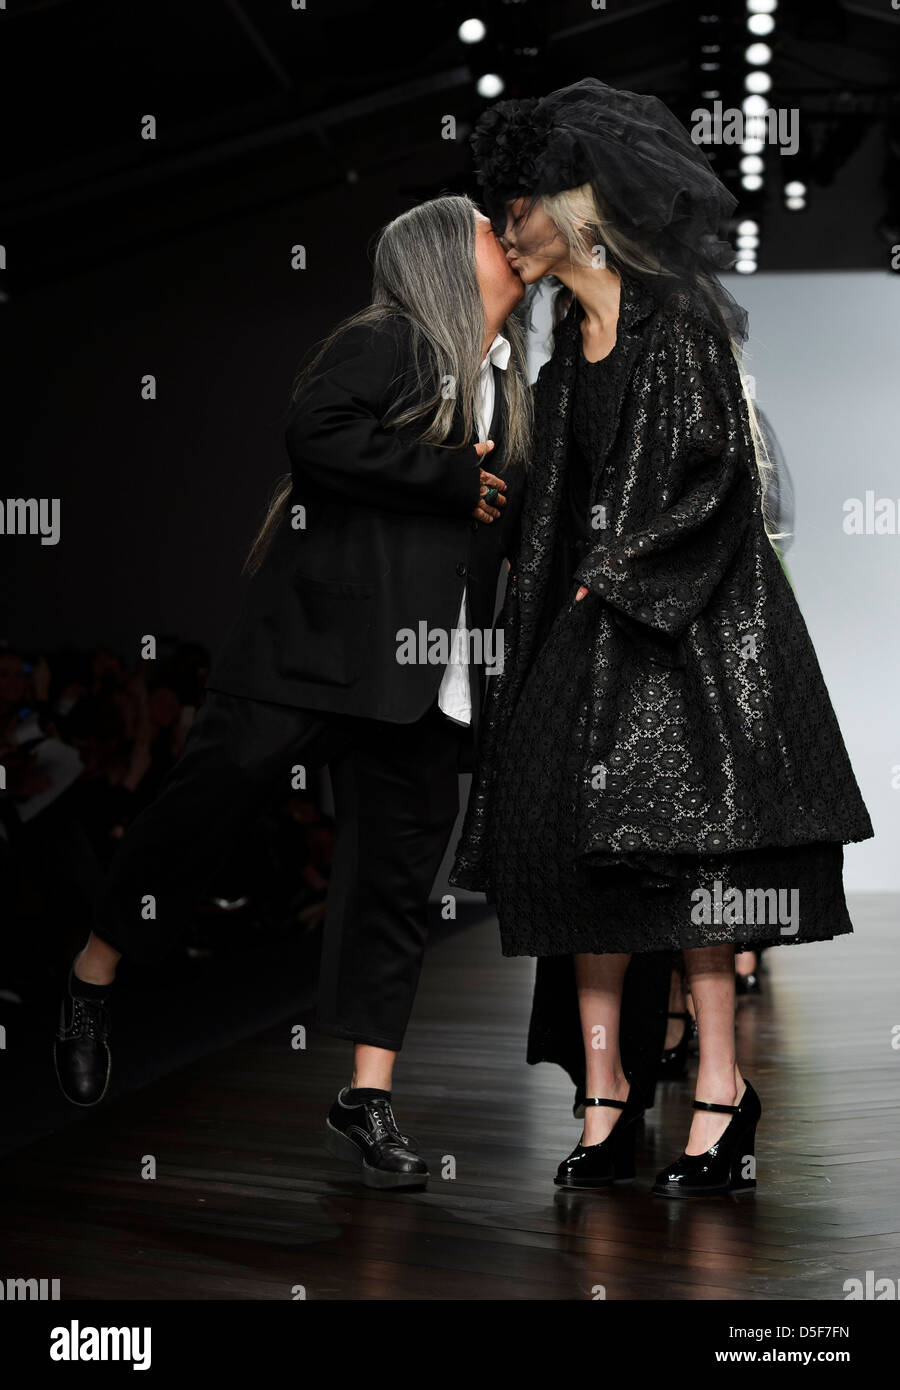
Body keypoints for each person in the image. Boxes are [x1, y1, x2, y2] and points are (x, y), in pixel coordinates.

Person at [53, 193, 531, 1191]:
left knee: (396, 887)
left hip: (425, 676)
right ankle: (95, 971)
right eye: (489, 225)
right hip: (311, 646)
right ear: (447, 256)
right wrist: (447, 479)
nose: (507, 236)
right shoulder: (395, 340)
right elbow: (314, 428)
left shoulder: (510, 384)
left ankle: (364, 1095)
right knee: (207, 806)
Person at [451, 79, 874, 1197]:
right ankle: (607, 1096)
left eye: (517, 208)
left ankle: (722, 1094)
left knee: (695, 880)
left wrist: (607, 587)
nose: (506, 230)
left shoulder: (675, 324)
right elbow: (552, 514)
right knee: (580, 877)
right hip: (600, 640)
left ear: (574, 202)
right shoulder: (561, 355)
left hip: (690, 644)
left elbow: (712, 482)